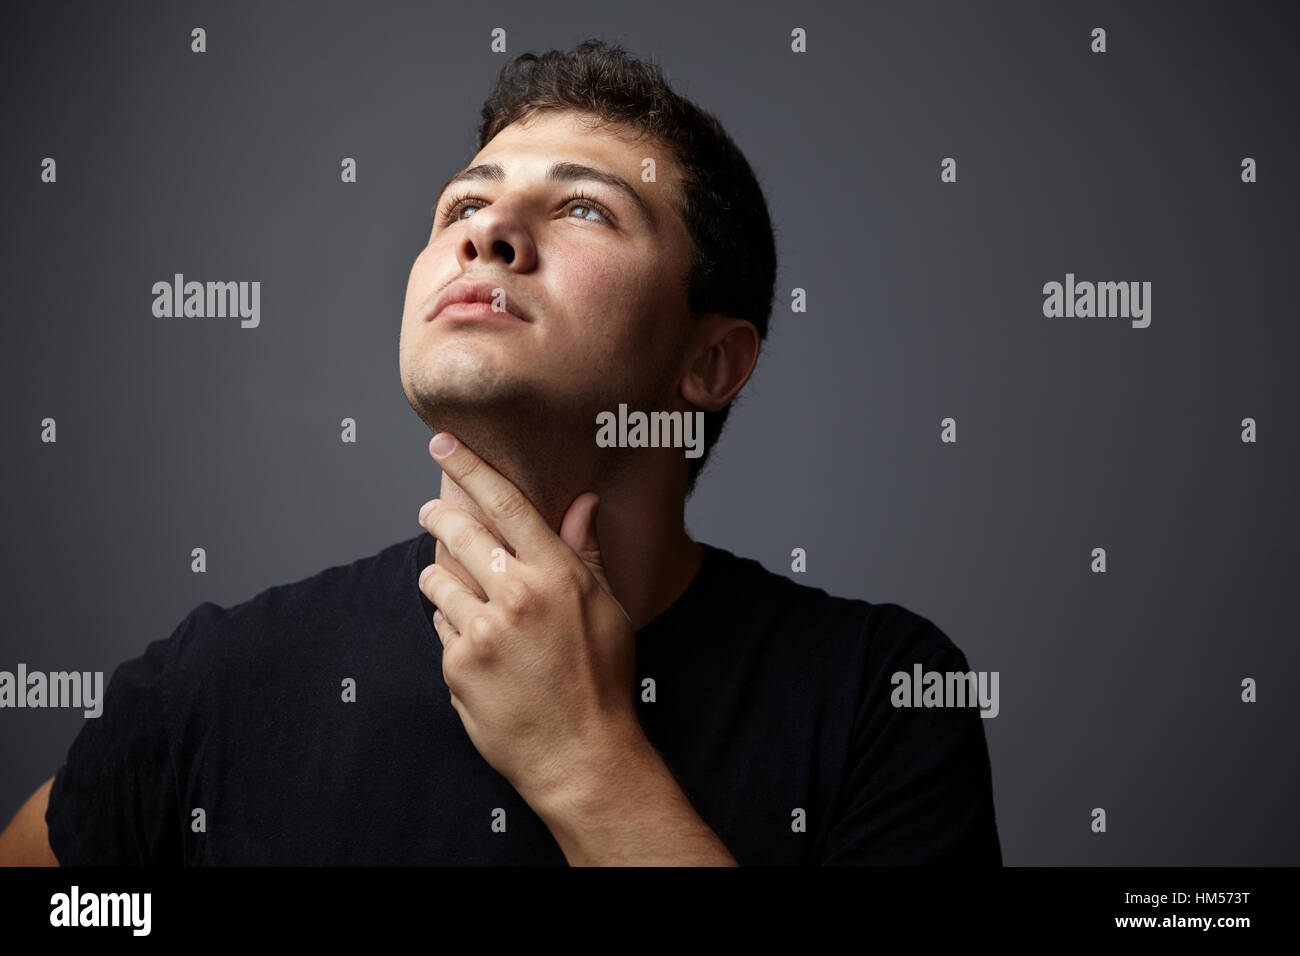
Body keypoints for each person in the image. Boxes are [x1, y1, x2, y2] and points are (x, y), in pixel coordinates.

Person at [0, 38, 1000, 866]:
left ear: (711, 360)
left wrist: (584, 759)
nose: (490, 233)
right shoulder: (218, 680)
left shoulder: (882, 695)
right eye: (463, 206)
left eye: (584, 209)